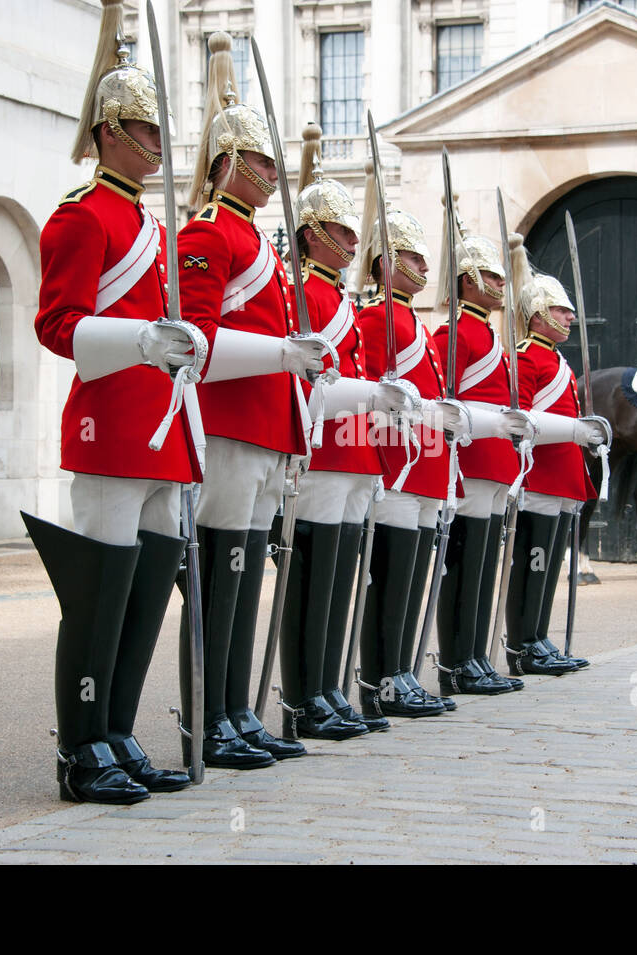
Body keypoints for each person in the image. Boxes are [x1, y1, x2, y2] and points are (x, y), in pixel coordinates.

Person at [25, 1, 209, 803]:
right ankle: (80, 747)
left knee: (144, 588)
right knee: (99, 589)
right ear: (109, 134)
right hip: (108, 427)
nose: (160, 148)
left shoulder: (156, 229)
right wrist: (139, 341)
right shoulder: (81, 216)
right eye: (147, 132)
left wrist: (185, 348)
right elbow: (58, 325)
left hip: (164, 429)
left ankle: (120, 729)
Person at [174, 33, 331, 768]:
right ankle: (207, 717)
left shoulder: (258, 242)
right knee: (220, 576)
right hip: (230, 426)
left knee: (243, 579)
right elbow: (199, 344)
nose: (274, 175)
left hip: (268, 429)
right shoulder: (208, 231)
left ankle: (238, 709)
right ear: (229, 163)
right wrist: (279, 354)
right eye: (262, 162)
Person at [272, 126, 415, 739]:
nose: (354, 244)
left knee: (340, 581)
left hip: (354, 456)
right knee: (314, 580)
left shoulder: (338, 300)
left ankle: (328, 686)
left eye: (357, 236)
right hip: (324, 452)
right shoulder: (303, 292)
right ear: (312, 235)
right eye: (343, 233)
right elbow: (313, 380)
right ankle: (305, 696)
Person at [355, 197, 470, 718]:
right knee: (393, 577)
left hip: (424, 463)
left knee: (413, 575)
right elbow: (377, 398)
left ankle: (401, 672)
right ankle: (382, 679)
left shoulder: (407, 319)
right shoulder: (378, 317)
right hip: (398, 463)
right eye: (415, 259)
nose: (426, 268)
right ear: (387, 263)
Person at [431, 207, 534, 695]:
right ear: (467, 281)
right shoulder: (454, 333)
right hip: (471, 462)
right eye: (490, 276)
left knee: (483, 566)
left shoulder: (491, 335)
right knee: (467, 566)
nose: (498, 283)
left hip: (497, 464)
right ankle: (457, 660)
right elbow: (447, 406)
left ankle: (475, 654)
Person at [503, 239, 609, 675]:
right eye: (561, 311)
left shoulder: (556, 359)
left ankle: (539, 636)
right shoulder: (527, 357)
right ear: (537, 314)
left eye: (568, 311)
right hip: (541, 478)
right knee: (534, 563)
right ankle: (522, 644)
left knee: (548, 568)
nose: (569, 317)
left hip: (563, 476)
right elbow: (523, 420)